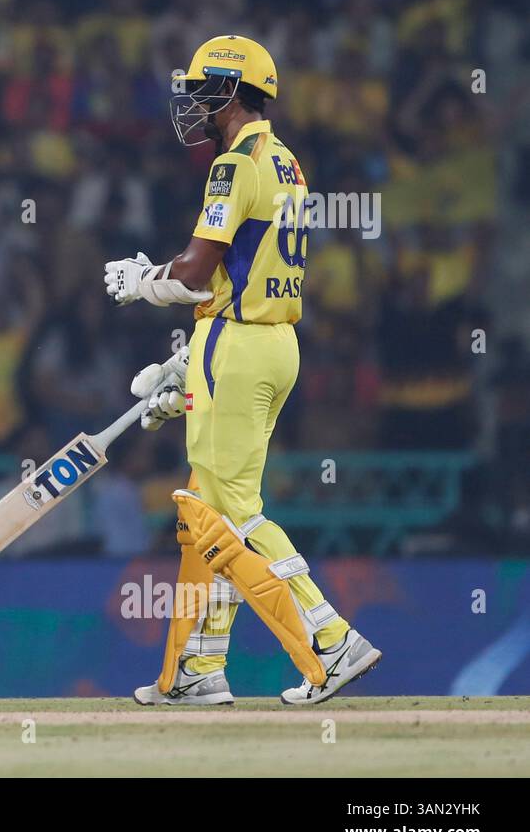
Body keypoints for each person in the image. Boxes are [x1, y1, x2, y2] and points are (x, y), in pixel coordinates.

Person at [104, 35, 381, 706]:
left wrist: (145, 281)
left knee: (232, 510)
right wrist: (187, 366)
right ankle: (199, 668)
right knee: (207, 509)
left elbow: (198, 271)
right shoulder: (288, 163)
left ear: (234, 90)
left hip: (237, 344)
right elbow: (243, 272)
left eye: (204, 90)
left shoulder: (234, 165)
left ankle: (330, 638)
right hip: (269, 342)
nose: (195, 104)